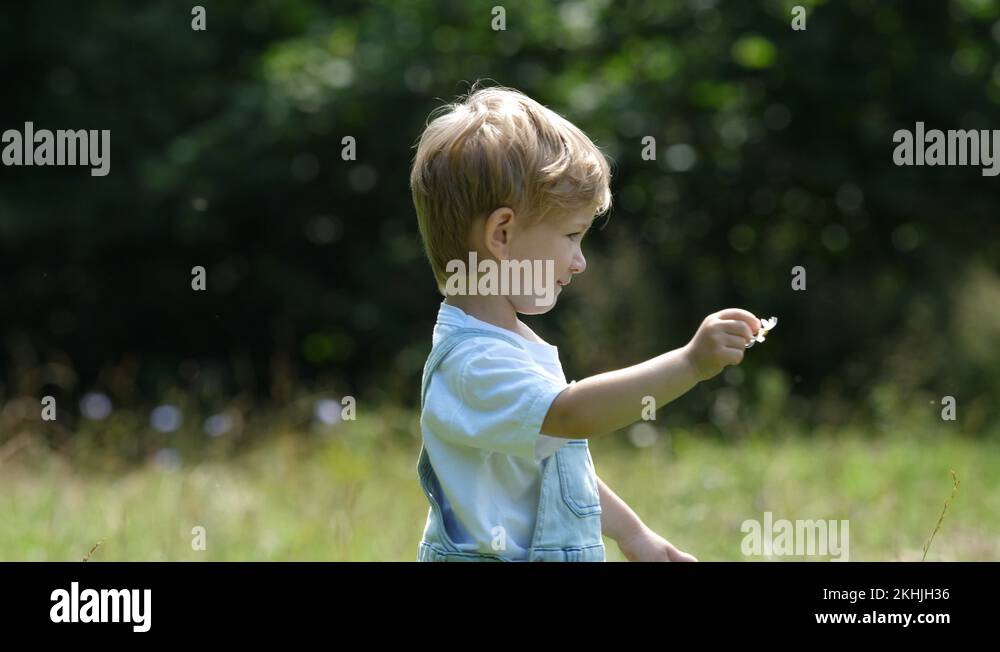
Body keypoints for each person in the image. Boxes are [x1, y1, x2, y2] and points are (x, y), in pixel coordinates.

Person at [409, 83, 761, 561]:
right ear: (503, 234)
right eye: (572, 236)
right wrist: (690, 364)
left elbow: (556, 457)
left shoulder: (508, 343)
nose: (580, 262)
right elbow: (574, 415)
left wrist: (634, 534)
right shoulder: (474, 364)